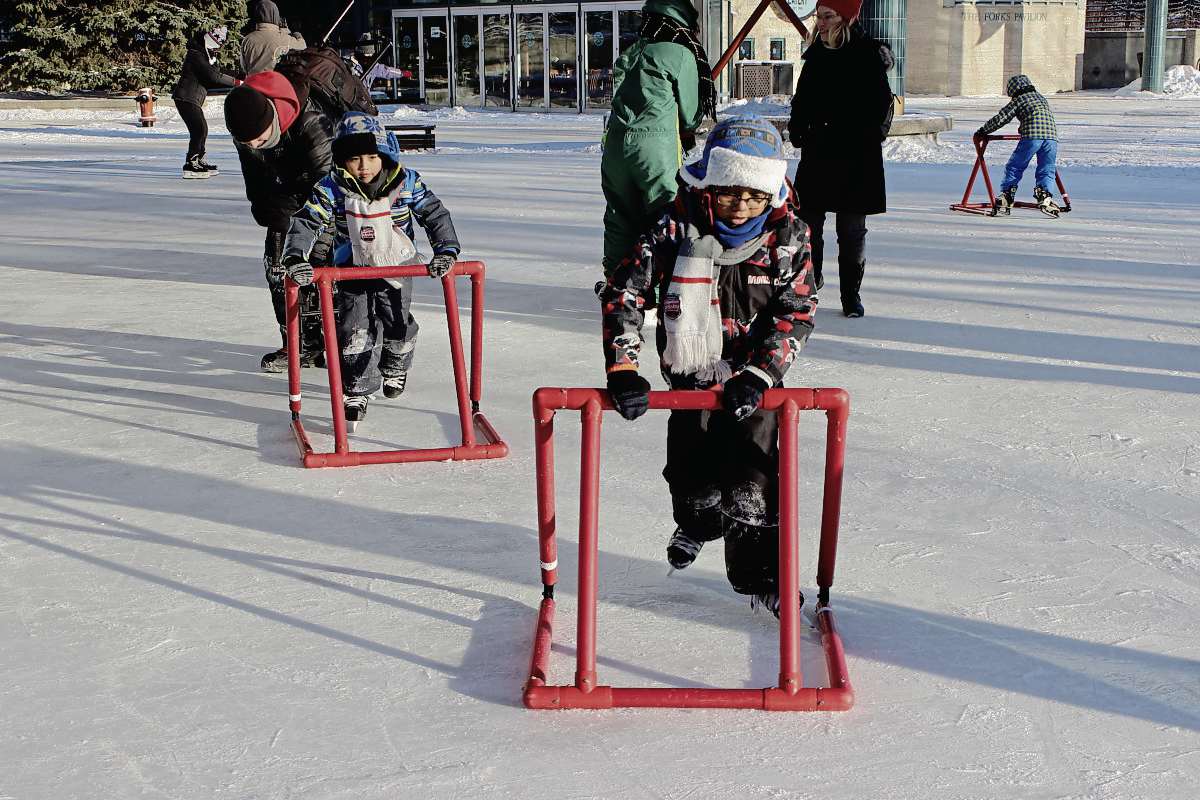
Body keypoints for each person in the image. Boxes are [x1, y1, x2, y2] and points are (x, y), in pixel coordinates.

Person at [599, 116, 819, 616]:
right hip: (690, 377)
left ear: (771, 191)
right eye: (728, 192)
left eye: (754, 194)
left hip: (752, 381)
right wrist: (624, 368)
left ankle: (761, 578)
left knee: (753, 482)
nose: (741, 204)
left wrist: (761, 372)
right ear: (708, 184)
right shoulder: (674, 226)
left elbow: (796, 309)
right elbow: (625, 292)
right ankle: (698, 522)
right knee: (691, 474)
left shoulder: (789, 235)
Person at [281, 112, 461, 430]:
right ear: (342, 161)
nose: (364, 166)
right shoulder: (333, 187)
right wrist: (296, 256)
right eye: (354, 159)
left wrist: (446, 249)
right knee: (354, 328)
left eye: (371, 157)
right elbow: (308, 220)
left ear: (385, 155)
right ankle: (357, 389)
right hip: (351, 267)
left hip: (397, 264)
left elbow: (434, 212)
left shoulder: (406, 182)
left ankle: (395, 366)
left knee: (397, 320)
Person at [223, 71, 336, 372]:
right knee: (277, 268)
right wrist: (272, 218)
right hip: (286, 193)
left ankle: (336, 342)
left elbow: (329, 188)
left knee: (323, 267)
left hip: (331, 197)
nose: (256, 145)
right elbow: (256, 181)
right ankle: (298, 344)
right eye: (248, 142)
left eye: (261, 138)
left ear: (273, 116)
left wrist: (313, 239)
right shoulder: (246, 133)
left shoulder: (312, 123)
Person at [787, 0, 893, 318]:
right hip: (819, 152)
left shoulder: (867, 54)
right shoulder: (816, 55)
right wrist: (798, 129)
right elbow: (802, 99)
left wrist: (871, 134)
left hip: (856, 156)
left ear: (845, 18)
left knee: (851, 230)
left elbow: (882, 106)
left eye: (827, 15)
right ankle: (811, 285)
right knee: (808, 226)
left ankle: (851, 294)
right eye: (819, 15)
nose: (820, 22)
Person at [600, 0, 716, 275]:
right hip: (656, 150)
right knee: (663, 217)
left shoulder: (632, 51)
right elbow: (690, 116)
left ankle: (616, 282)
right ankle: (657, 285)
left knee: (619, 217)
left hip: (615, 146)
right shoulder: (680, 52)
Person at [974, 75, 1061, 218]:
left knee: (1015, 166)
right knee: (1047, 168)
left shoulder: (1019, 100)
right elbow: (1038, 115)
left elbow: (1002, 118)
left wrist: (983, 131)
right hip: (1052, 138)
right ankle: (1045, 196)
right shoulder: (1040, 98)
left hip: (1032, 136)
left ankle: (1006, 195)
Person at [171, 25, 238, 179]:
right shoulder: (196, 54)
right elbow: (213, 76)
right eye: (219, 44)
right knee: (199, 129)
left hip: (192, 98)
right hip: (185, 97)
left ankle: (199, 160)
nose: (219, 49)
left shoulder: (208, 56)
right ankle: (191, 163)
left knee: (201, 129)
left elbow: (219, 74)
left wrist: (240, 76)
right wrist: (237, 82)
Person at [241, 0, 305, 76]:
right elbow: (303, 46)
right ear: (276, 15)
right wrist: (295, 33)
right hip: (274, 85)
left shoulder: (248, 39)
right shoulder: (285, 39)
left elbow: (244, 68)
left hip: (251, 84)